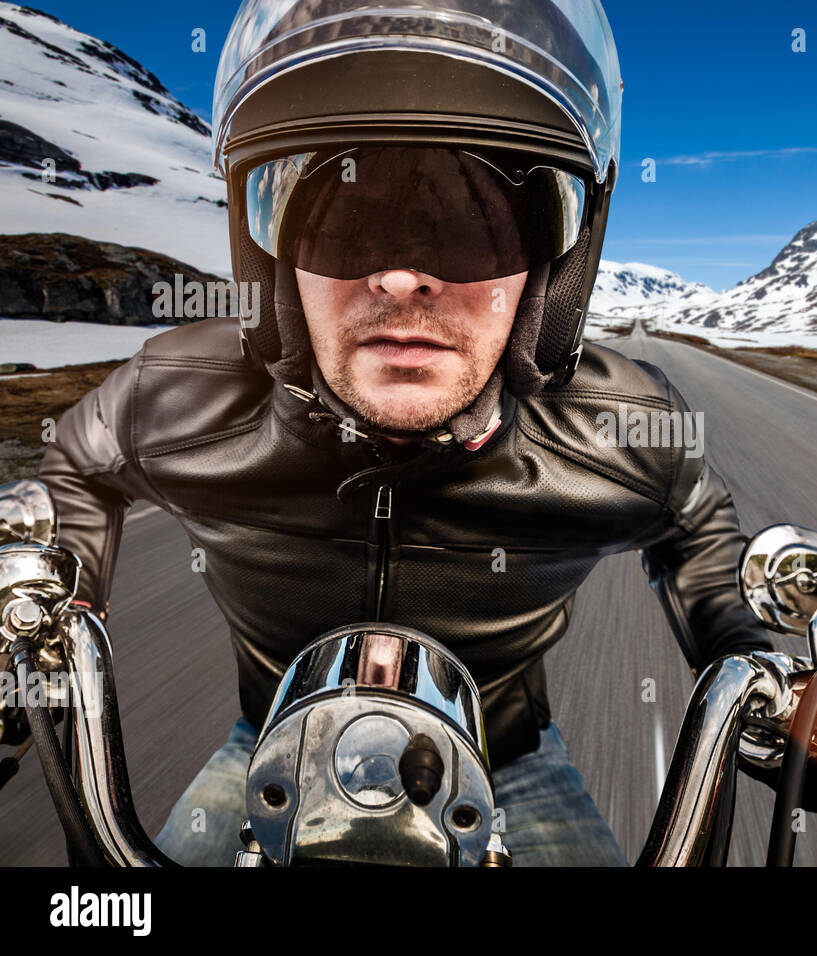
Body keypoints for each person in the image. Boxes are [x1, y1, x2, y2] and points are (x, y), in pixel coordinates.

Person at [37, 0, 778, 866]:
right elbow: (76, 467)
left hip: (513, 764)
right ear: (273, 260)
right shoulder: (170, 397)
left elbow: (694, 522)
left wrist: (755, 667)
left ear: (548, 273)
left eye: (466, 232)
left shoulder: (626, 431)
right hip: (269, 747)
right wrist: (48, 612)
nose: (399, 276)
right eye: (346, 226)